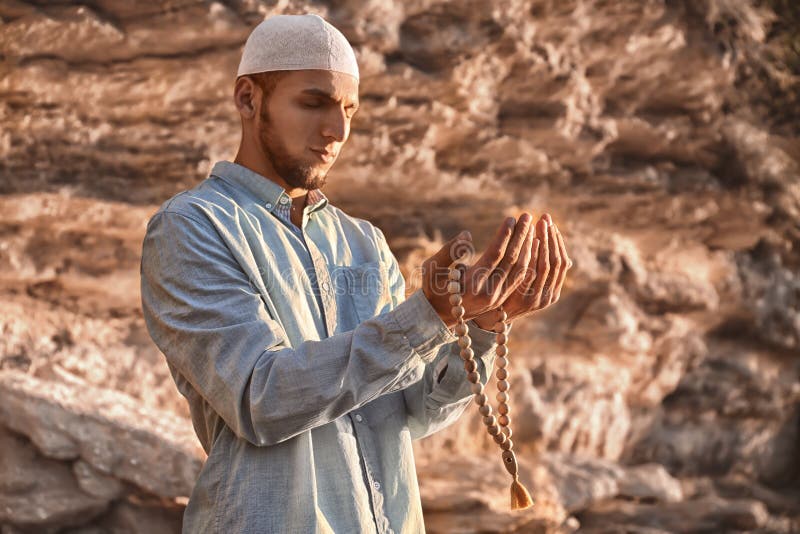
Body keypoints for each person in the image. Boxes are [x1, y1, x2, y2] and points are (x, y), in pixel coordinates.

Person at [140, 13, 571, 533]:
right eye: (314, 102)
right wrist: (425, 315)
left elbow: (412, 411)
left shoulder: (363, 242)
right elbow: (262, 398)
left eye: (349, 109)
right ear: (248, 99)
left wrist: (481, 324)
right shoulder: (192, 227)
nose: (337, 131)